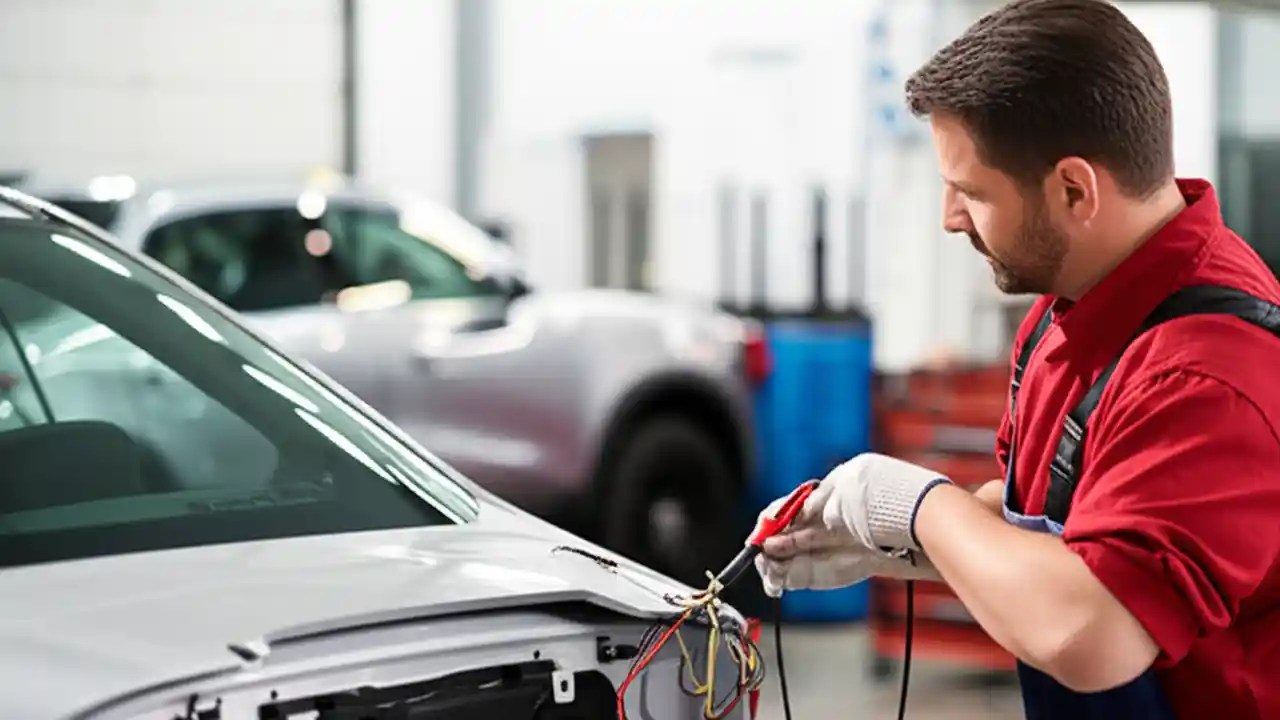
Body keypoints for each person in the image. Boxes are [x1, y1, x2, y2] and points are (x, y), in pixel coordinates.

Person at [752, 1, 1280, 718]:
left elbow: (1092, 631)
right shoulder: (1069, 306)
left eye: (971, 191)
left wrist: (916, 505)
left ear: (1073, 190)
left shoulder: (1208, 374)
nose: (950, 217)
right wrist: (894, 545)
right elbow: (1051, 512)